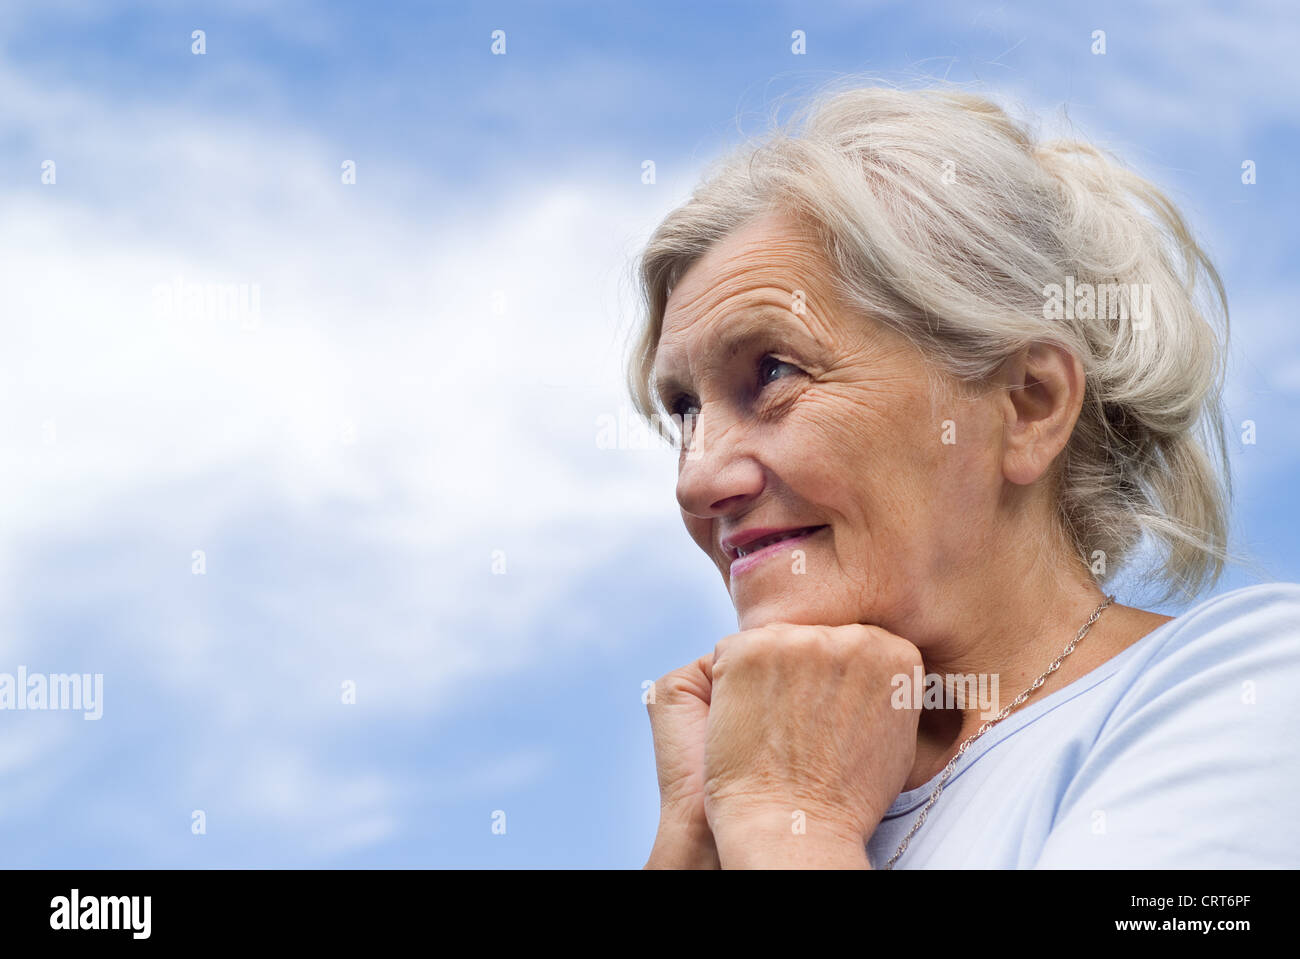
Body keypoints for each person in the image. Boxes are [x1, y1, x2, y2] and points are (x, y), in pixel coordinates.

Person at [626, 83, 1300, 868]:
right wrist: (696, 839)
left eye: (774, 371)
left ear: (1029, 405)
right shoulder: (761, 792)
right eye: (683, 410)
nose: (697, 479)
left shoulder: (1245, 690)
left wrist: (785, 820)